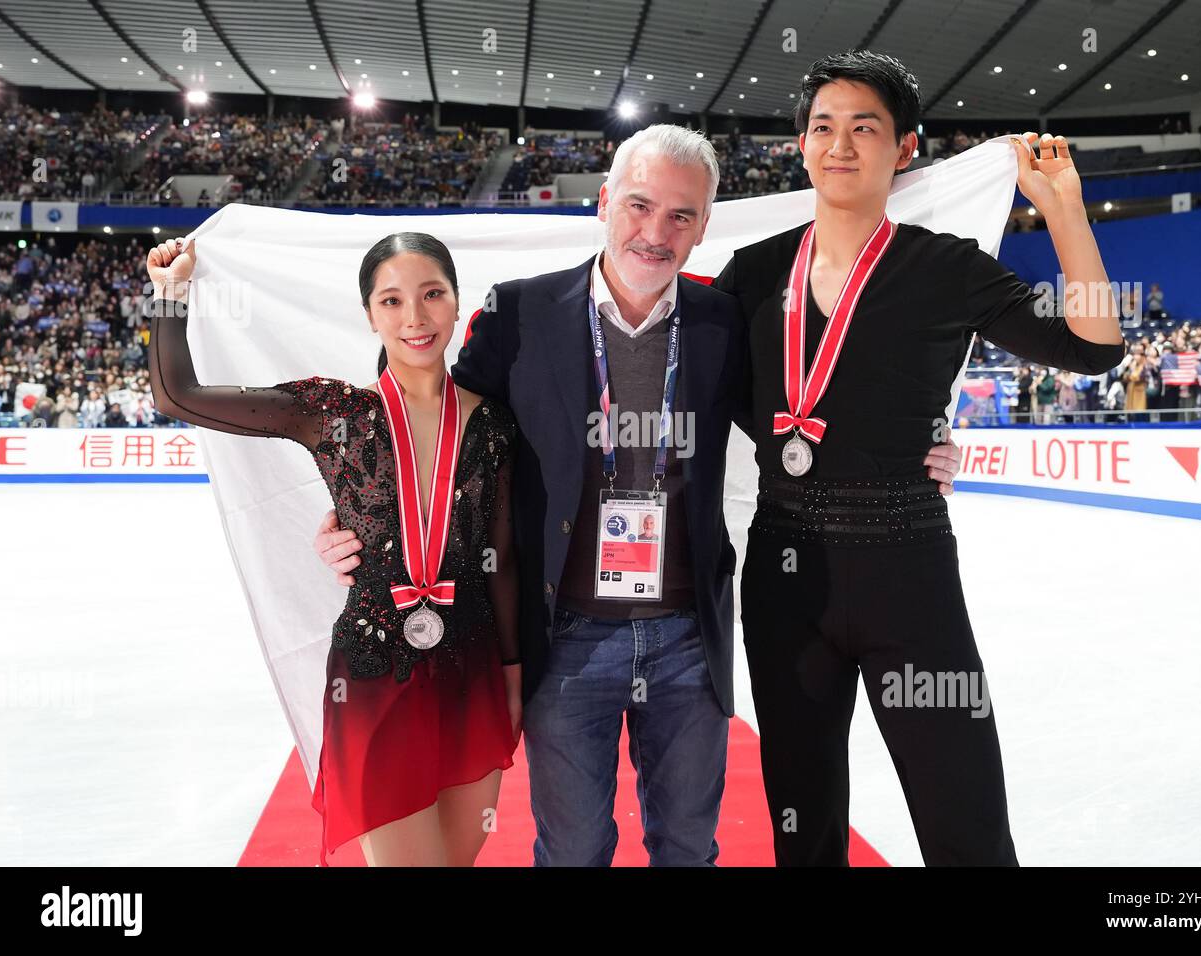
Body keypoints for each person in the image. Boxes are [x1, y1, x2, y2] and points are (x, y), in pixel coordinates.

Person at [312, 123, 965, 866]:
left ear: (703, 227)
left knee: (688, 846)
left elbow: (801, 420)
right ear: (603, 202)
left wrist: (913, 453)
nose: (656, 232)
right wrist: (363, 507)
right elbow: (437, 420)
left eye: (681, 216)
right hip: (565, 640)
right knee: (575, 849)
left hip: (687, 637)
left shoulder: (725, 320)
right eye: (639, 205)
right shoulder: (519, 315)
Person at [710, 49, 1125, 866]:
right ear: (800, 146)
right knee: (804, 820)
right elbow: (712, 397)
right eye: (822, 127)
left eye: (865, 128)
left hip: (911, 575)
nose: (840, 145)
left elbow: (1091, 346)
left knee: (963, 819)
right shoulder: (751, 275)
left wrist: (1066, 211)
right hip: (786, 578)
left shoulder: (945, 268)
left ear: (904, 149)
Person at [145, 232, 521, 867]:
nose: (415, 317)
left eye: (432, 295)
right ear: (368, 313)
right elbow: (176, 395)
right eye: (392, 300)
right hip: (375, 676)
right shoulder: (333, 412)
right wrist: (169, 296)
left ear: (457, 303)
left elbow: (503, 563)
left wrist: (512, 682)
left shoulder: (494, 424)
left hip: (474, 671)